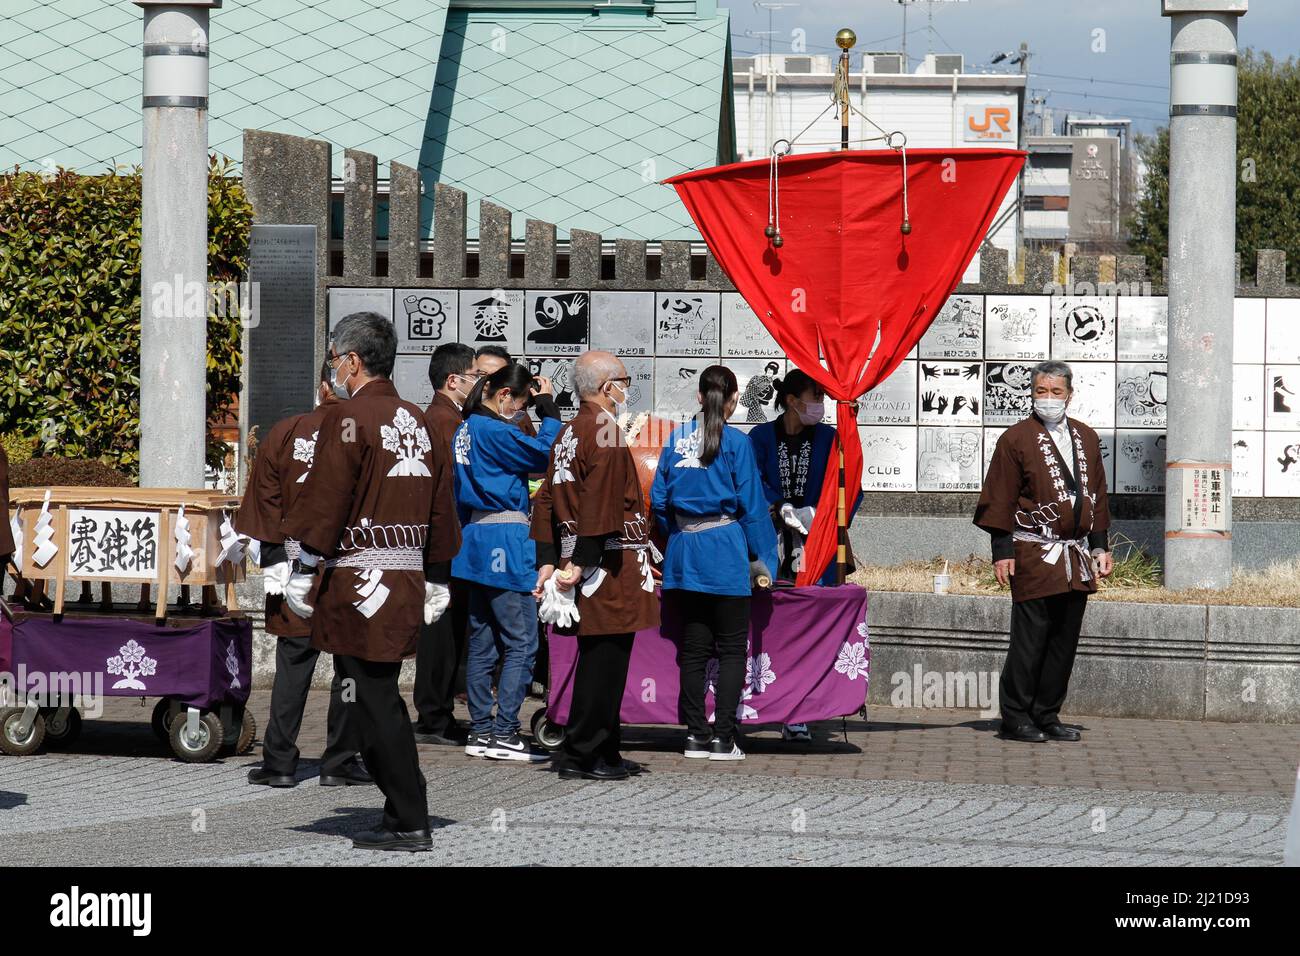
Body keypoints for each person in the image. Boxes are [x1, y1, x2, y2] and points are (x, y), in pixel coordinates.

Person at [282, 312, 460, 852]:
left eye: (335, 357)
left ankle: (410, 815)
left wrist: (303, 563)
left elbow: (326, 498)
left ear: (352, 361)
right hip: (405, 577)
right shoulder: (422, 420)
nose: (334, 368)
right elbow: (441, 507)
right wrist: (436, 573)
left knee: (374, 696)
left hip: (359, 579)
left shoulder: (347, 418)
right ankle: (400, 805)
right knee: (369, 693)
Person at [235, 361, 368, 788]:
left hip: (293, 567)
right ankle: (341, 759)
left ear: (320, 389)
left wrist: (274, 557)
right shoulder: (362, 430)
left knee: (293, 664)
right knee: (350, 667)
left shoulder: (287, 431)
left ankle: (279, 762)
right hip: (348, 566)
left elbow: (263, 498)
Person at [531, 351, 659, 781]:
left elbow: (546, 499)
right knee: (603, 661)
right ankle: (581, 752)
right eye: (624, 378)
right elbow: (601, 503)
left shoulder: (570, 430)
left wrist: (549, 560)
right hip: (605, 562)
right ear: (608, 388)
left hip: (586, 555)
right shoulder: (603, 429)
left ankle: (604, 747)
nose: (627, 387)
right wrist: (579, 565)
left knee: (603, 658)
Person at [975, 360, 1113, 744]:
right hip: (1033, 551)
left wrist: (1100, 545)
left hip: (1075, 554)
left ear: (1070, 394)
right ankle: (1015, 716)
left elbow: (1096, 496)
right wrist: (1002, 551)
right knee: (1031, 637)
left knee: (1064, 638)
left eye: (1056, 392)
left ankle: (1047, 712)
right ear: (1031, 393)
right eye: (1041, 391)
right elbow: (999, 496)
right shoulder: (1015, 439)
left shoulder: (1085, 437)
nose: (1048, 399)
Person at [651, 365, 778, 762]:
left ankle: (695, 737)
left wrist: (680, 532)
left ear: (699, 398)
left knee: (692, 650)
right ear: (735, 400)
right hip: (724, 551)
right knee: (729, 651)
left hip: (685, 552)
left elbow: (658, 502)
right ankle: (724, 738)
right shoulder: (737, 443)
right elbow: (753, 508)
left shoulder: (674, 439)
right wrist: (765, 561)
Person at [453, 363, 561, 761]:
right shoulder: (495, 429)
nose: (521, 411)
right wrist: (549, 409)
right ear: (503, 397)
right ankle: (505, 732)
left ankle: (481, 731)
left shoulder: (464, 429)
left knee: (482, 642)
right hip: (505, 537)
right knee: (521, 641)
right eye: (520, 403)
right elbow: (544, 454)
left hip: (475, 540)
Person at [748, 368, 862, 742]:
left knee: (809, 625)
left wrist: (822, 515)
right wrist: (777, 506)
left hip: (818, 540)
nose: (822, 406)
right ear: (794, 402)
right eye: (816, 398)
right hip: (771, 541)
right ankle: (762, 699)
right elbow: (750, 482)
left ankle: (799, 711)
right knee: (769, 623)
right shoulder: (760, 437)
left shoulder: (831, 438)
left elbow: (850, 485)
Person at [412, 342, 479, 746]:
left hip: (448, 540)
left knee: (449, 629)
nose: (478, 383)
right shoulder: (442, 420)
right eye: (474, 376)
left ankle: (438, 712)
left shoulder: (448, 417)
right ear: (453, 381)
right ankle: (433, 715)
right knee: (438, 631)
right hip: (442, 542)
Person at [475, 345, 536, 436]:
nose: (487, 382)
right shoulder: (462, 415)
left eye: (497, 377)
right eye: (481, 375)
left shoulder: (518, 416)